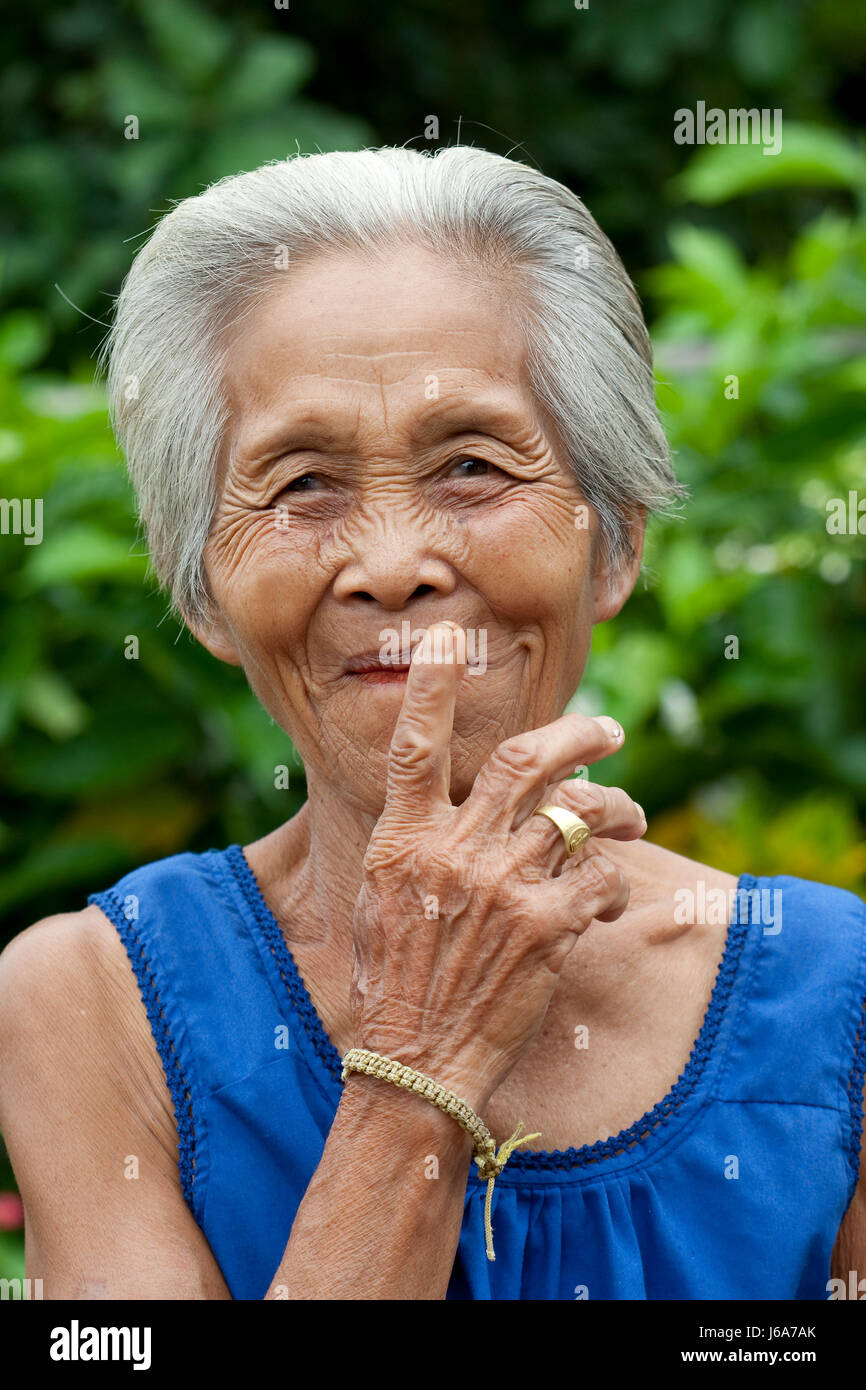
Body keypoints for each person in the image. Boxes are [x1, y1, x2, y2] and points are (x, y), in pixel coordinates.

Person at [1, 146, 863, 1300]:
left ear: (612, 541)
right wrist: (420, 1056)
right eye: (302, 484)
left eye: (469, 464)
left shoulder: (833, 995)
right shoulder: (92, 1005)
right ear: (201, 588)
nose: (393, 565)